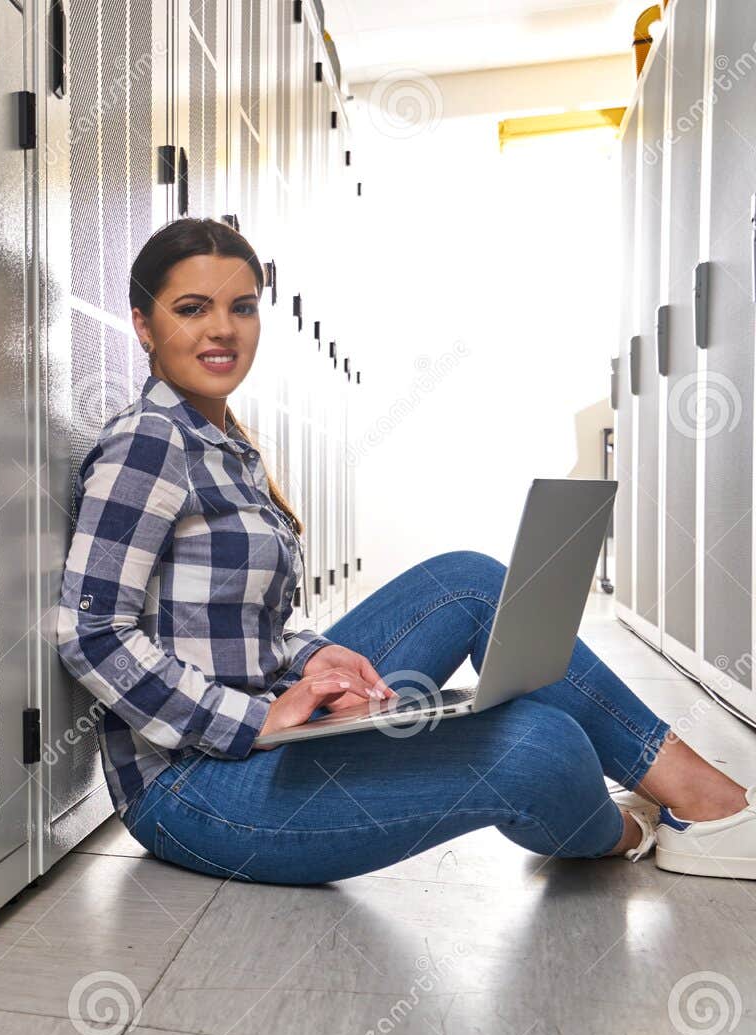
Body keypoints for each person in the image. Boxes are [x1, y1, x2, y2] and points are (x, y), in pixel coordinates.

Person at [53, 216, 756, 885]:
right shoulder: (149, 442)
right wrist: (257, 719)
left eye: (242, 307)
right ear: (144, 324)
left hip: (274, 725)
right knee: (542, 745)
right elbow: (90, 633)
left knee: (468, 581)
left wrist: (310, 658)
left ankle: (704, 799)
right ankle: (636, 832)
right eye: (192, 307)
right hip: (195, 788)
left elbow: (245, 624)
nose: (222, 329)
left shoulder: (225, 445)